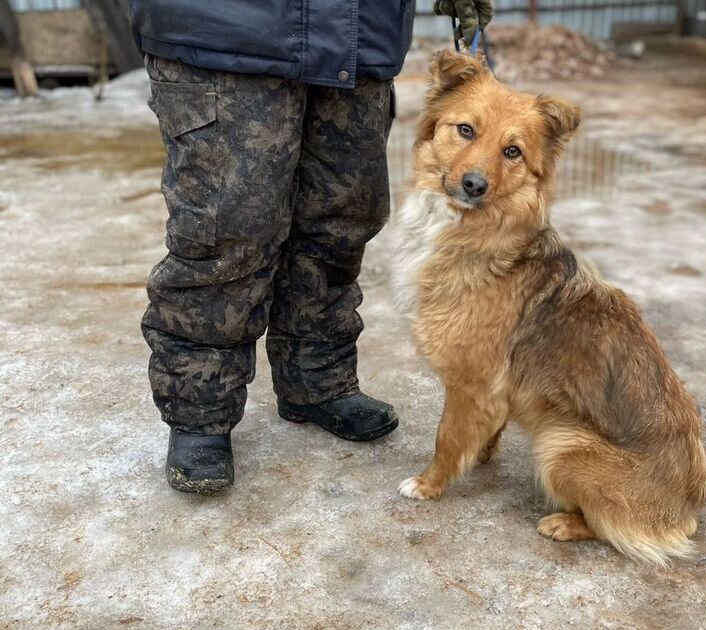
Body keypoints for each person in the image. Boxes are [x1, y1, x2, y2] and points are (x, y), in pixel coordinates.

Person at [129, 0, 494, 493]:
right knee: (228, 232)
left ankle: (315, 381)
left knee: (340, 222)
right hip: (226, 30)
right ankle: (201, 413)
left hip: (359, 31)